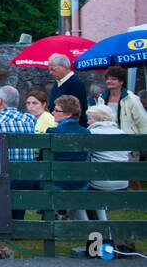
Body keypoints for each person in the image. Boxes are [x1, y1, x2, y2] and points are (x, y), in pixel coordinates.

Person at [0, 85, 38, 221]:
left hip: (2, 179)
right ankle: (18, 222)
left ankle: (1, 225)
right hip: (26, 178)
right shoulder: (30, 120)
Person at [86, 104, 128, 242]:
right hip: (122, 182)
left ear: (98, 119)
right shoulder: (121, 133)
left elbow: (85, 158)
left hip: (100, 183)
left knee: (79, 194)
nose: (88, 122)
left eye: (90, 118)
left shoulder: (91, 134)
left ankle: (98, 241)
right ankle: (104, 240)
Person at [50, 95, 92, 222]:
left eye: (57, 110)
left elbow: (43, 158)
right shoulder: (86, 133)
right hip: (81, 184)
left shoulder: (52, 132)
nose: (53, 113)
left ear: (68, 114)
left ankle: (52, 217)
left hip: (57, 184)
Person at [96, 65, 147, 136]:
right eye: (107, 79)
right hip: (107, 136)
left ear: (121, 82)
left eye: (113, 79)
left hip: (128, 139)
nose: (109, 81)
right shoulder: (101, 99)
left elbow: (142, 122)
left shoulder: (132, 99)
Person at [47, 54, 88, 127]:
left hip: (72, 129)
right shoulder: (58, 82)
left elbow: (74, 110)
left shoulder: (76, 84)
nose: (50, 72)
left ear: (63, 66)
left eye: (53, 69)